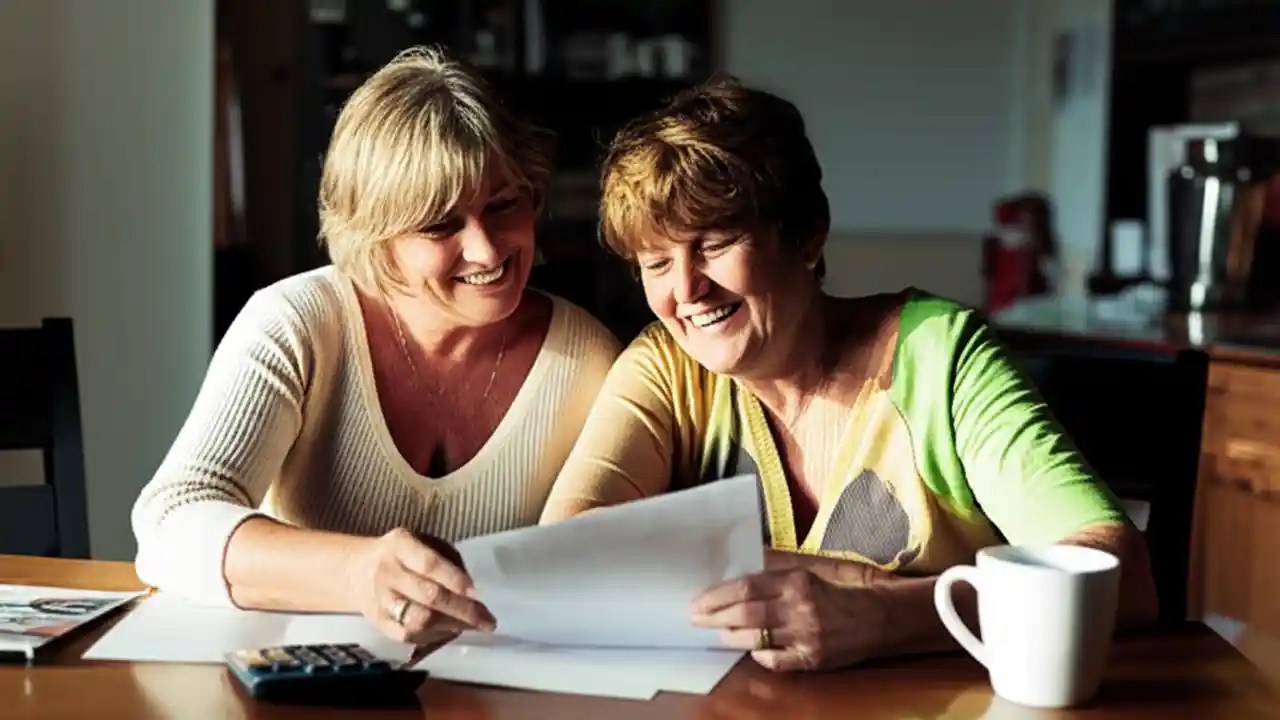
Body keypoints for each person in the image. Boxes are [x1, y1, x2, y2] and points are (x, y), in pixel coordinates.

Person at [541, 76, 1158, 672]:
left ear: (807, 235)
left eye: (715, 243)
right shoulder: (668, 368)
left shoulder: (939, 357)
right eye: (656, 262)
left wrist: (888, 615)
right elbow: (565, 555)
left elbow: (1120, 576)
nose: (686, 289)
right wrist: (834, 578)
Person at [132, 46, 619, 646]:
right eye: (441, 225)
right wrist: (358, 572)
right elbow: (169, 522)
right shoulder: (298, 323)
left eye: (504, 205)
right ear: (374, 235)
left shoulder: (591, 360)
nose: (488, 250)